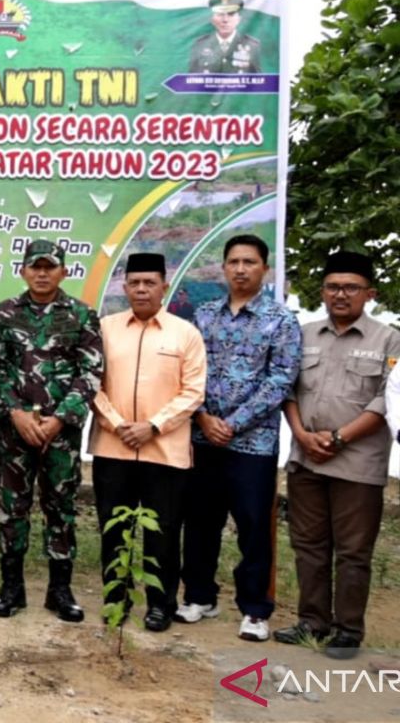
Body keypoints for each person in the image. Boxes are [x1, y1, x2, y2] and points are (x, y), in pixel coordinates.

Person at [276, 251, 400, 659]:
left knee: (352, 552)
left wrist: (340, 438)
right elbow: (288, 388)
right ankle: (312, 621)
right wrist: (300, 434)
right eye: (332, 287)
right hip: (306, 457)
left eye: (350, 287)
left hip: (358, 464)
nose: (340, 295)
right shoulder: (304, 333)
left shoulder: (390, 339)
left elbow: (388, 400)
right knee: (308, 545)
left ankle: (347, 631)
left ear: (369, 293)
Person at [177, 235, 301, 641]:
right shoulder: (205, 315)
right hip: (202, 437)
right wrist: (202, 417)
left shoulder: (281, 321)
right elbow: (187, 372)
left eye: (250, 261)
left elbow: (280, 380)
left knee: (252, 526)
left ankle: (254, 609)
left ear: (265, 269)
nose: (241, 269)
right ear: (224, 268)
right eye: (234, 261)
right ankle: (199, 596)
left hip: (254, 445)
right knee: (199, 522)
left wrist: (232, 422)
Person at [89, 252, 206, 633]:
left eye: (150, 282)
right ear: (124, 287)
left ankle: (160, 604)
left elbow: (194, 392)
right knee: (113, 529)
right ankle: (115, 600)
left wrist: (152, 426)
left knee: (164, 533)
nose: (141, 289)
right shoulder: (104, 328)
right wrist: (119, 423)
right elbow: (91, 382)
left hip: (165, 451)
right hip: (113, 446)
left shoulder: (184, 333)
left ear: (164, 287)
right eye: (135, 283)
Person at [0, 240, 102, 623]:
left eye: (49, 267)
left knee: (61, 508)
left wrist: (60, 418)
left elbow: (91, 373)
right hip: (15, 431)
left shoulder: (82, 316)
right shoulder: (3, 314)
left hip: (61, 435)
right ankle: (11, 587)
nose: (41, 273)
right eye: (34, 266)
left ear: (63, 272)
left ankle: (60, 589)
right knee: (12, 509)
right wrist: (15, 413)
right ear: (23, 271)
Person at [187, 0, 262, 74]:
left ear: (239, 19)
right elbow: (192, 79)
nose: (225, 20)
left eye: (231, 14)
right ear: (212, 19)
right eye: (220, 14)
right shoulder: (200, 44)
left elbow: (258, 81)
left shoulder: (252, 45)